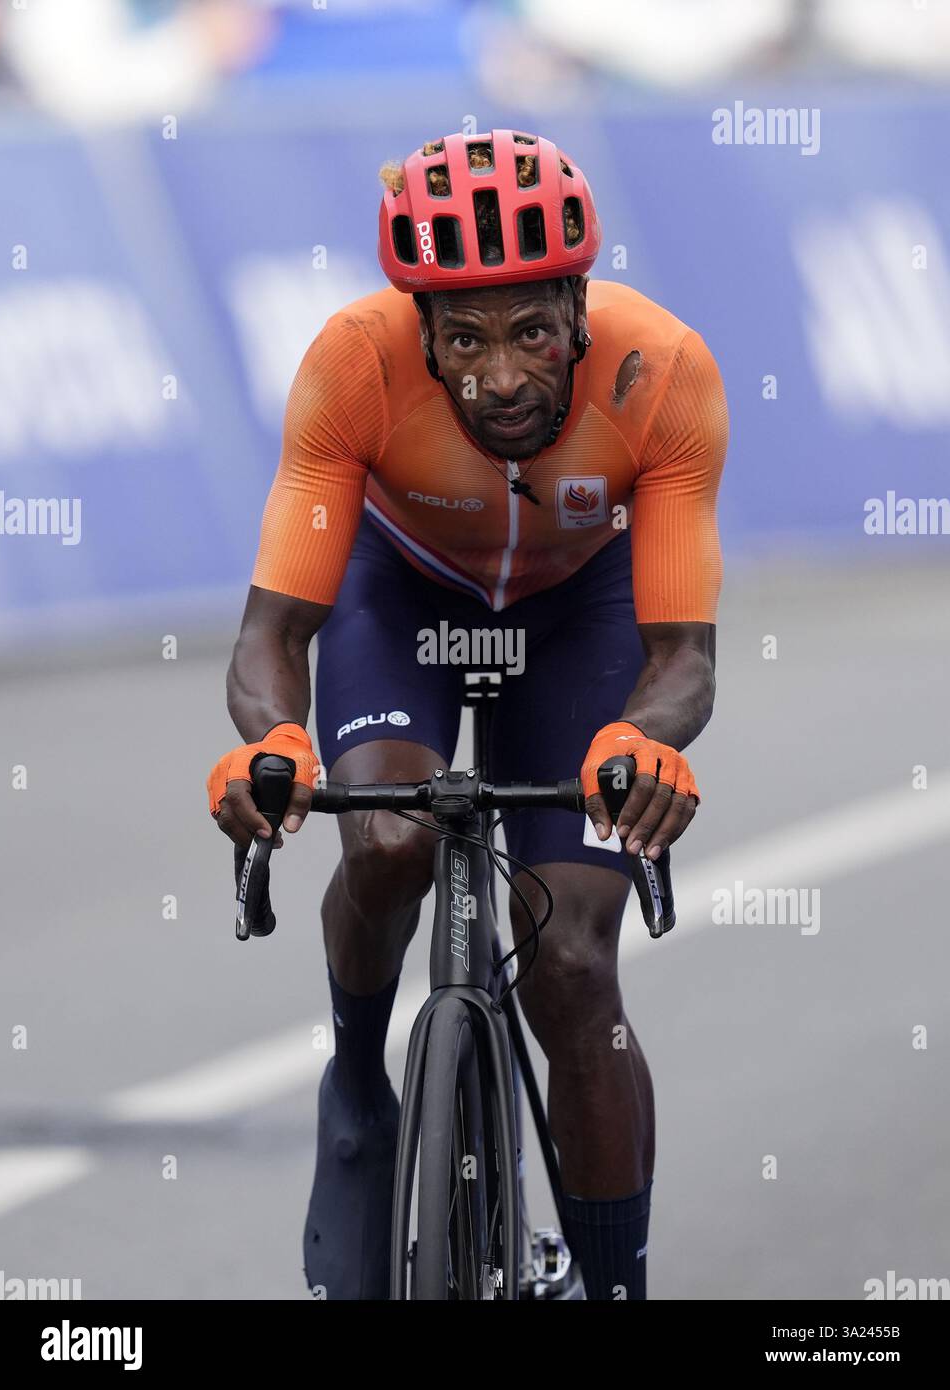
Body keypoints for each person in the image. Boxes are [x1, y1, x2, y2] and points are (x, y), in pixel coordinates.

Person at [208, 130, 728, 1301]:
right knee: (386, 838)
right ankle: (357, 1076)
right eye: (463, 340)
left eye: (532, 333)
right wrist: (276, 742)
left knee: (573, 966)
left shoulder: (665, 370)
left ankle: (614, 1286)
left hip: (580, 611)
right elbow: (269, 637)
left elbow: (681, 655)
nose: (500, 378)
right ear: (420, 332)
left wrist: (642, 739)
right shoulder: (351, 360)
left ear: (580, 309)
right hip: (403, 595)